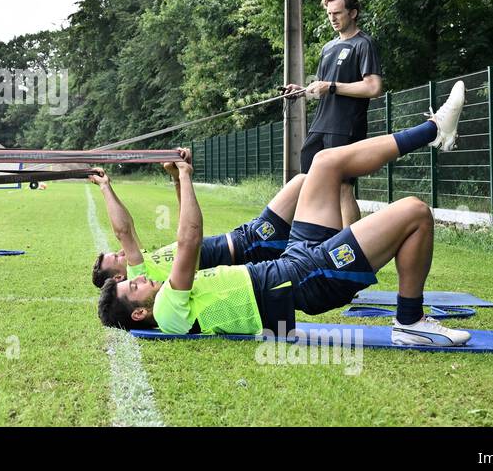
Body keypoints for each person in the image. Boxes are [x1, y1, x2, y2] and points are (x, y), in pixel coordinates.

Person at [98, 81, 471, 347]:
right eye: (135, 286)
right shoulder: (168, 312)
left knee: (324, 163)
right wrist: (184, 176)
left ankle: (434, 131)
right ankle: (409, 321)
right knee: (415, 211)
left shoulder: (163, 300)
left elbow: (177, 238)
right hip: (307, 279)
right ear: (138, 314)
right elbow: (189, 237)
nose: (142, 279)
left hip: (294, 262)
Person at [88, 165, 305, 287]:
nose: (120, 252)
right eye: (116, 258)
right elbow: (122, 232)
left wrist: (177, 180)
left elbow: (130, 227)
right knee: (304, 180)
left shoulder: (145, 265)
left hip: (246, 240)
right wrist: (104, 187)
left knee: (314, 184)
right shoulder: (140, 274)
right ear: (119, 277)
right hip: (250, 245)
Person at [283, 0, 383, 227]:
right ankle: (318, 244)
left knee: (342, 187)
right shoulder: (328, 47)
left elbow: (373, 87)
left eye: (337, 13)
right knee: (309, 183)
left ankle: (352, 251)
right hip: (320, 124)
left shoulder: (364, 44)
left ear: (353, 13)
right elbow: (324, 88)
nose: (332, 18)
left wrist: (332, 87)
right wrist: (302, 90)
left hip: (346, 126)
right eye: (329, 14)